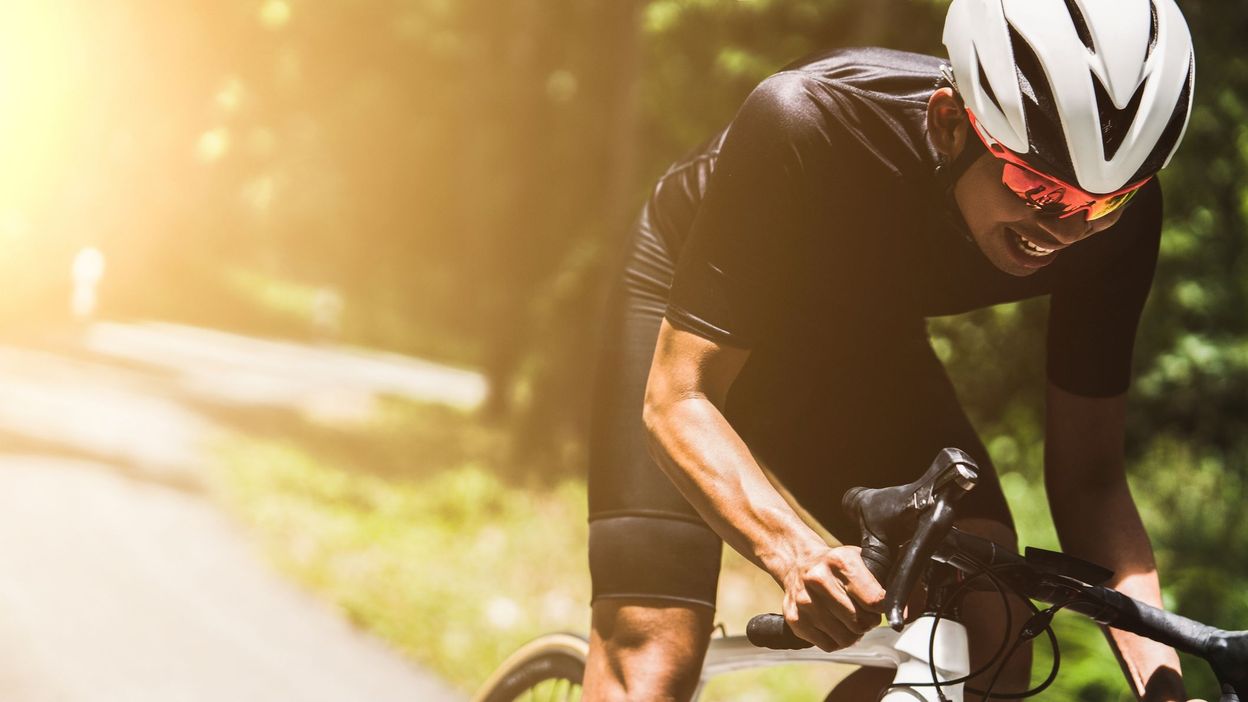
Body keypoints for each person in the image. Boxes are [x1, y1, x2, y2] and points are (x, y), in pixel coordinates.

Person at [583, 0, 1198, 699]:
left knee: (991, 623)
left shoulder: (1116, 230)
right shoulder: (807, 117)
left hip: (861, 338)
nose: (1064, 228)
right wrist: (798, 555)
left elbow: (1090, 482)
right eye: (1036, 185)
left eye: (1104, 205)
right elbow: (676, 399)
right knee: (655, 655)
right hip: (690, 320)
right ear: (947, 122)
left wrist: (1165, 679)